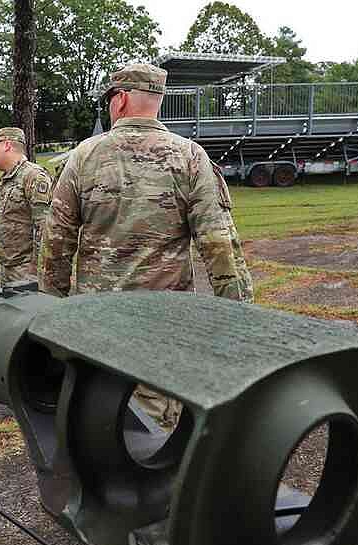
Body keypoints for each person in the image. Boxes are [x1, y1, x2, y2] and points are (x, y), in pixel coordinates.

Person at [39, 64, 253, 429]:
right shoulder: (190, 157)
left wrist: (49, 318)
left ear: (119, 100)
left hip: (96, 326)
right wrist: (240, 324)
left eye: (109, 99)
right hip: (163, 329)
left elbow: (56, 244)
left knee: (97, 420)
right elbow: (220, 247)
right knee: (155, 432)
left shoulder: (83, 157)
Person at [0, 127, 53, 285]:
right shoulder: (7, 179)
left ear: (7, 145)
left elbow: (45, 228)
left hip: (25, 274)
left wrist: (35, 273)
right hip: (8, 269)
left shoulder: (34, 176)